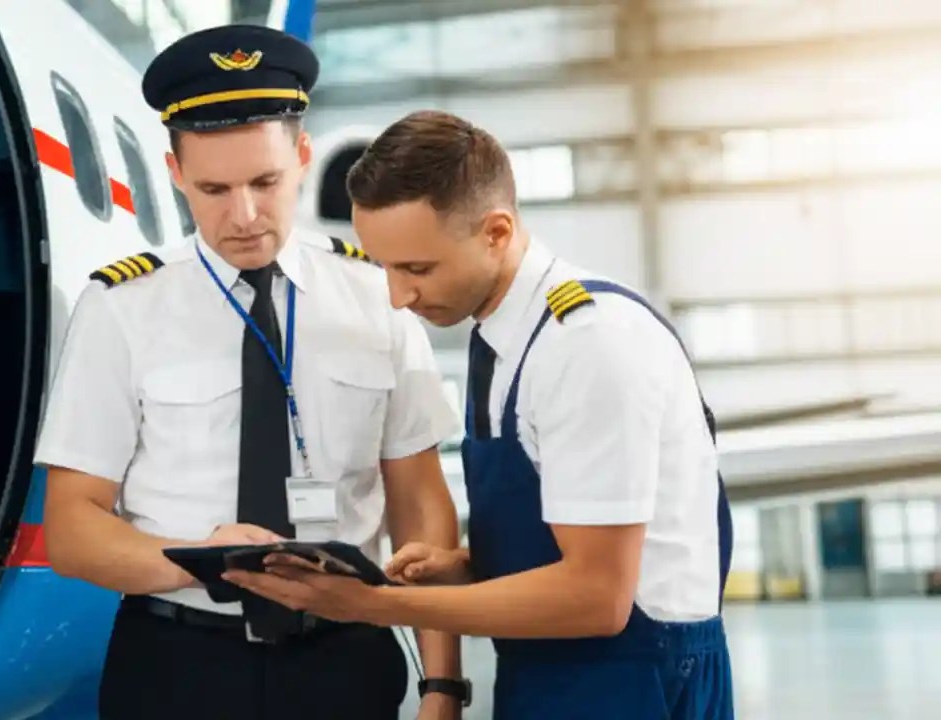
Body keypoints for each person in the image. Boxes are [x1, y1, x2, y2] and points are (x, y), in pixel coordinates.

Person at [224, 109, 736, 719]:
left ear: (496, 232)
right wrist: (469, 566)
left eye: (417, 269)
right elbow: (575, 537)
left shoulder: (587, 345)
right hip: (551, 669)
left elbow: (598, 597)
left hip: (631, 678)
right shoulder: (502, 335)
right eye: (384, 268)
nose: (398, 297)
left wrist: (370, 605)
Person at [33, 28, 470, 720]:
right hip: (177, 665)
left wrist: (443, 685)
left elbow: (419, 500)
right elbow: (73, 527)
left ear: (302, 157)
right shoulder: (121, 309)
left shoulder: (374, 295)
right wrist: (198, 561)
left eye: (265, 183)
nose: (242, 216)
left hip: (347, 658)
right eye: (213, 189)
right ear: (176, 173)